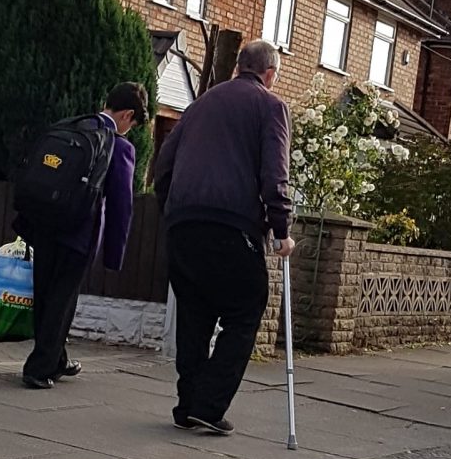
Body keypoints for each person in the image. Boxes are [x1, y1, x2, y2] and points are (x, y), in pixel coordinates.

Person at [154, 40, 294, 434]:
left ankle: (188, 404)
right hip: (232, 227)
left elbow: (163, 163)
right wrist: (281, 230)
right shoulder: (271, 106)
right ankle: (209, 405)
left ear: (238, 67)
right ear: (269, 74)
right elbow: (274, 175)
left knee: (194, 317)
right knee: (245, 311)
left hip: (184, 225)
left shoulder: (198, 105)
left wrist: (172, 213)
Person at [19, 82, 149, 389]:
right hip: (79, 234)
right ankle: (39, 368)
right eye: (132, 124)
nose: (129, 131)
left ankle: (56, 358)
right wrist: (114, 255)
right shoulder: (118, 146)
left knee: (45, 294)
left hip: (44, 225)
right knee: (62, 300)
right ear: (127, 114)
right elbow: (121, 205)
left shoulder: (71, 127)